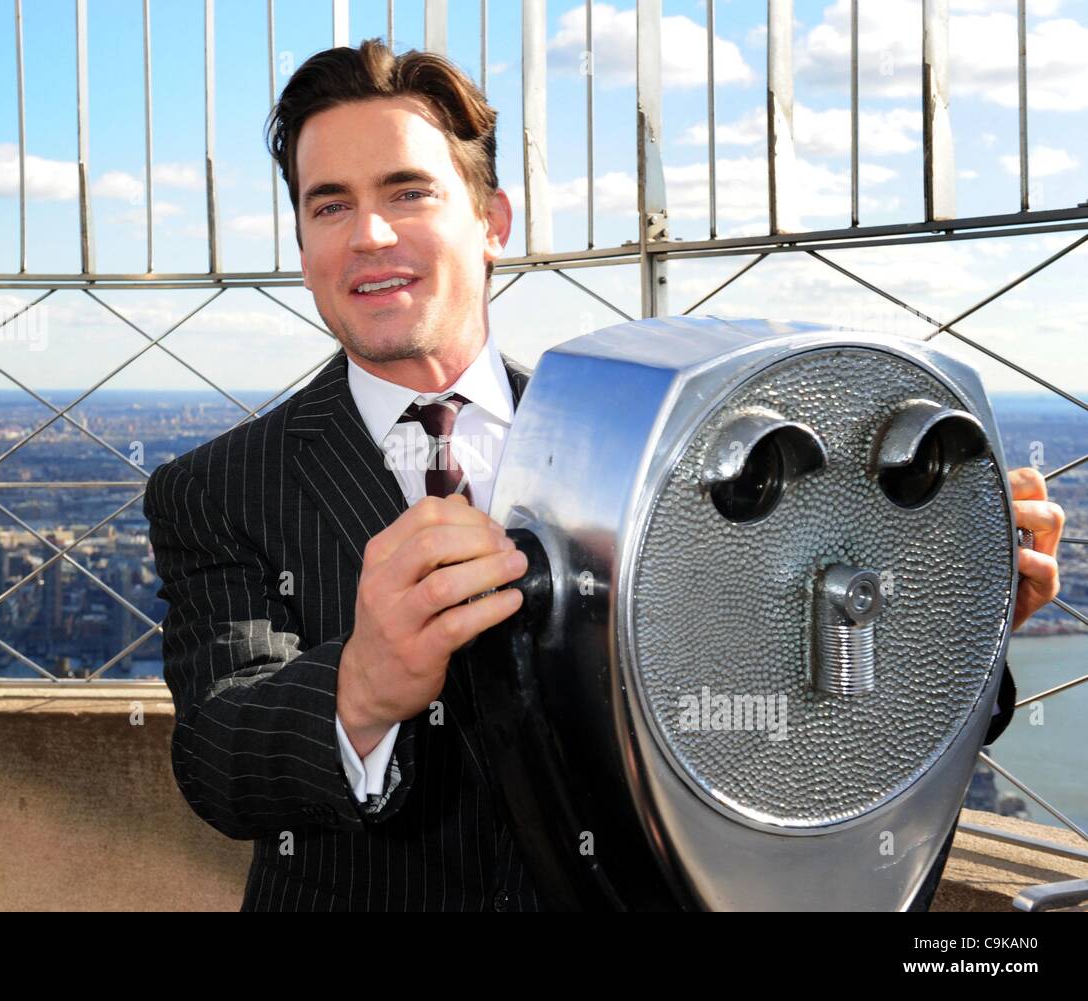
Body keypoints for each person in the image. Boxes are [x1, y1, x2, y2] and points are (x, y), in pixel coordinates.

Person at [143, 39, 1065, 912]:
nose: (369, 233)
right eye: (329, 205)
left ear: (492, 222)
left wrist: (950, 620)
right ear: (304, 247)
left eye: (408, 191)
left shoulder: (647, 442)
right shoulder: (217, 488)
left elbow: (763, 705)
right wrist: (361, 688)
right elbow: (219, 757)